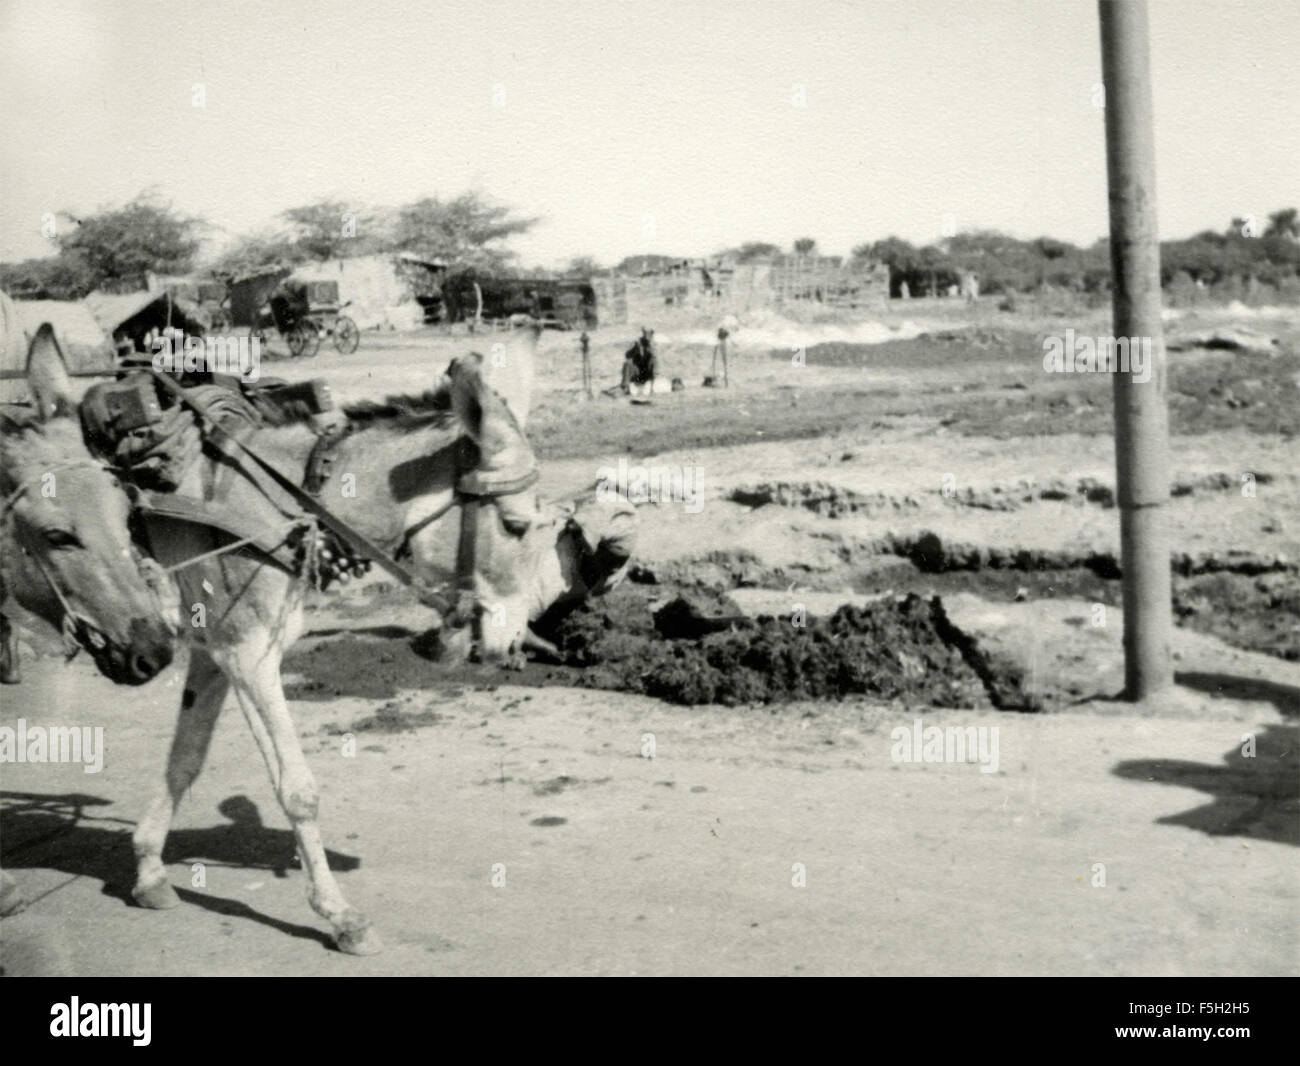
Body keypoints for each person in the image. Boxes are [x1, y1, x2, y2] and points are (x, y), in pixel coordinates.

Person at [619, 328, 657, 395]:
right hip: (637, 373)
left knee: (654, 362)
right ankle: (625, 387)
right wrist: (635, 349)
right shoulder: (637, 344)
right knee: (627, 364)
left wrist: (648, 349)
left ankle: (652, 388)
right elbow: (627, 355)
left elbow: (653, 359)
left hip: (646, 374)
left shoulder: (651, 347)